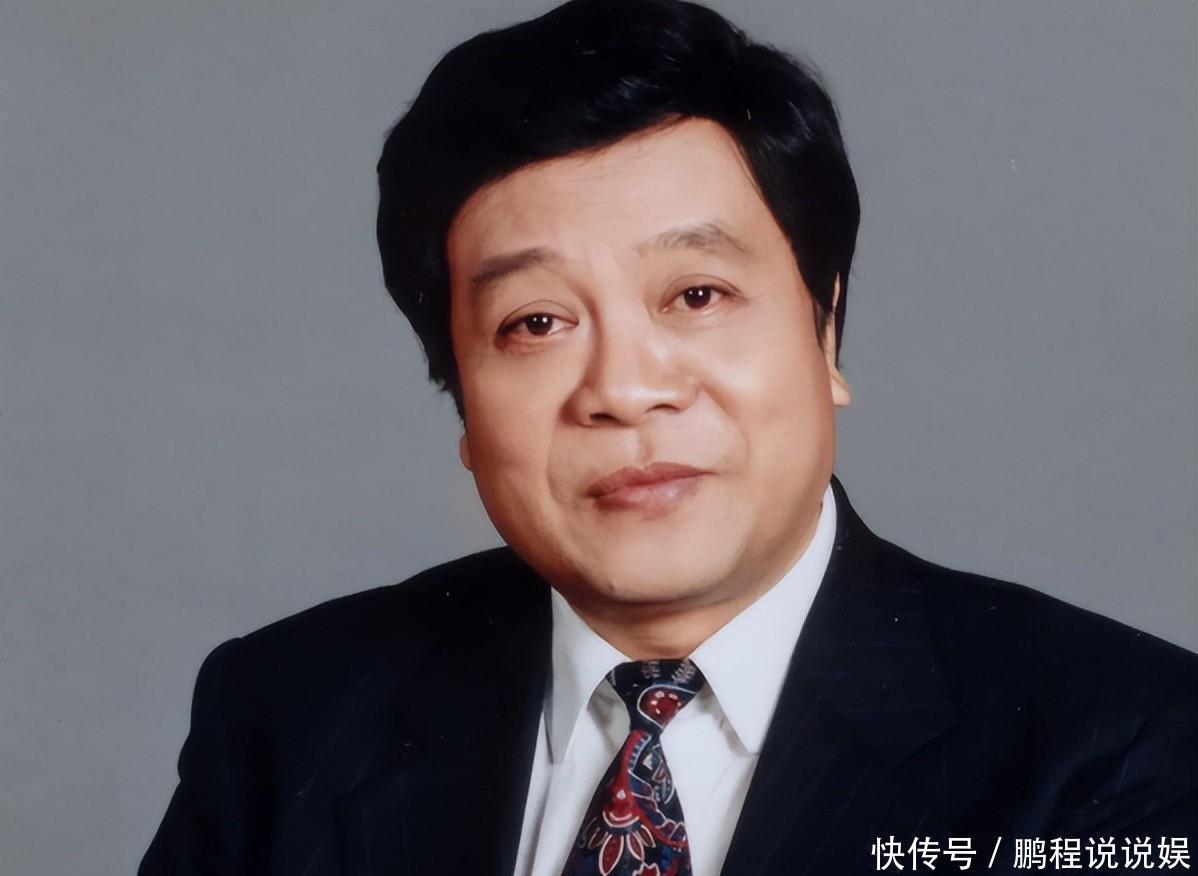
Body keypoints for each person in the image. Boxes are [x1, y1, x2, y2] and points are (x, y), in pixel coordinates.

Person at [139, 1, 1197, 873]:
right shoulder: (290, 713)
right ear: (459, 394)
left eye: (696, 295)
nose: (624, 390)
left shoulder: (1124, 740)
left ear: (825, 329)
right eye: (535, 323)